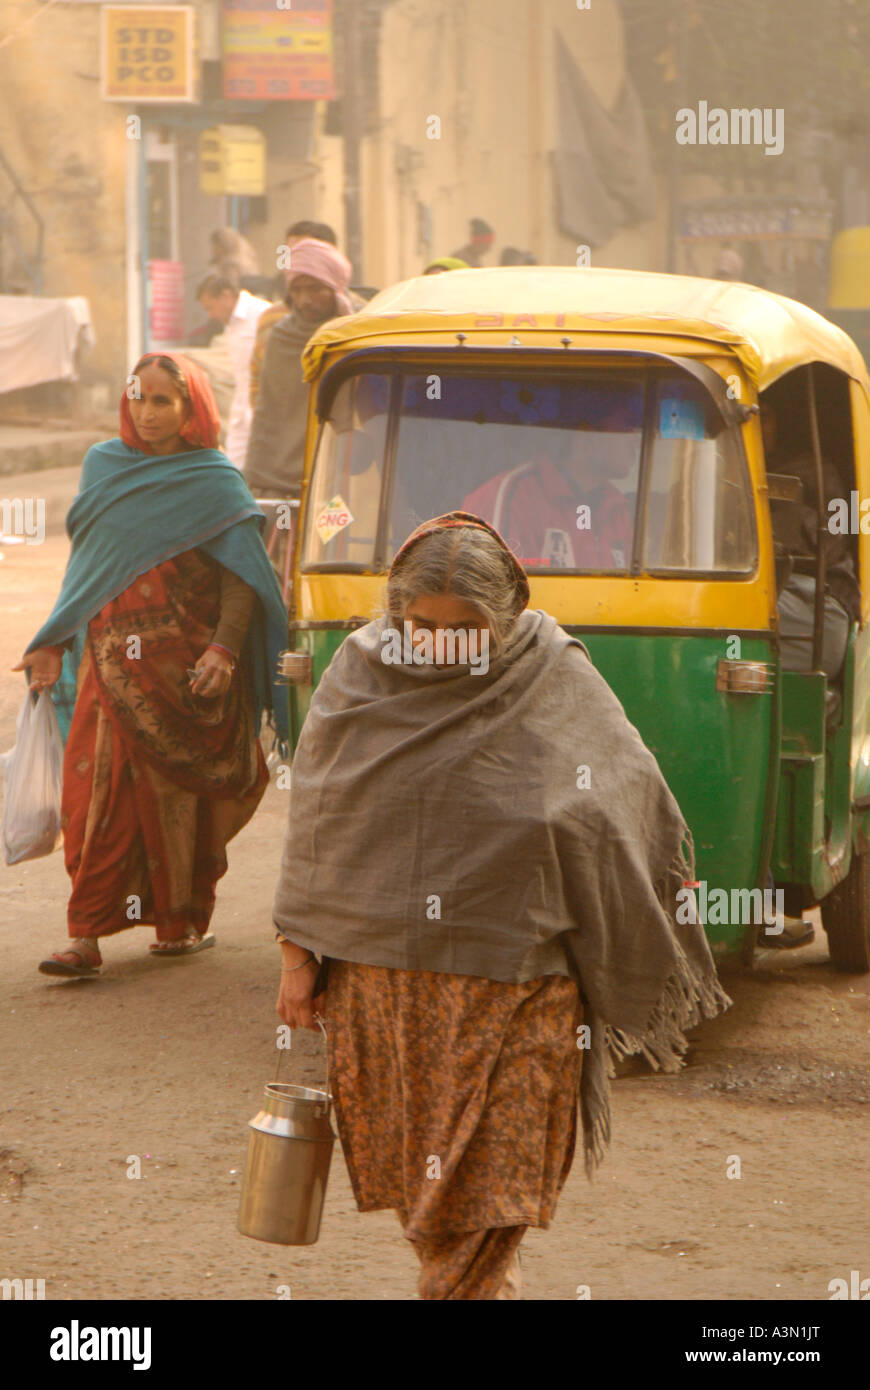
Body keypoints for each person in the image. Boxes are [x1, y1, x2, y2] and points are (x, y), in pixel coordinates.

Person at [271, 511, 731, 1300]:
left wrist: (631, 867)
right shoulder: (357, 671)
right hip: (386, 990)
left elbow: (623, 788)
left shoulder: (551, 669)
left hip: (523, 983)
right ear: (393, 612)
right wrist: (295, 959)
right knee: (432, 1200)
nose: (442, 643)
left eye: (467, 627)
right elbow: (320, 816)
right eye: (422, 624)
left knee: (499, 1184)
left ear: (508, 616)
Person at [13, 352, 288, 978]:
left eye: (163, 400)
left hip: (188, 670)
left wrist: (223, 648)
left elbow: (242, 579)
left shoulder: (215, 479)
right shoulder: (103, 466)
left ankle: (179, 922)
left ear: (192, 409)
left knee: (179, 801)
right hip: (109, 665)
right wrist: (52, 640)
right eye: (137, 397)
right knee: (96, 799)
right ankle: (84, 935)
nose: (147, 412)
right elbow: (89, 569)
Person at [244, 239, 354, 497]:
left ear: (335, 288)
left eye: (315, 289)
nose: (305, 300)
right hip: (276, 479)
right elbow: (266, 411)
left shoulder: (353, 336)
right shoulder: (280, 337)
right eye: (297, 289)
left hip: (340, 473)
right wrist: (255, 473)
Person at [461, 416, 636, 569]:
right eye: (627, 427)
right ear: (587, 437)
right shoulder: (510, 496)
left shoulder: (617, 508)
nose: (636, 439)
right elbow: (489, 592)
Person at [196, 275, 272, 469]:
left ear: (226, 295)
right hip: (242, 409)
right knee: (235, 468)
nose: (211, 315)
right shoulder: (230, 325)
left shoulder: (263, 313)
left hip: (266, 407)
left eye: (210, 307)